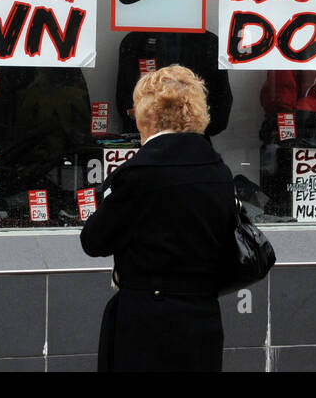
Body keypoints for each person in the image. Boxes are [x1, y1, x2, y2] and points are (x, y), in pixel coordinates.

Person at [80, 64, 237, 372]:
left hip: (146, 320)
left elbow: (94, 241)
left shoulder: (137, 173)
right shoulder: (219, 171)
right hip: (202, 316)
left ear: (146, 114)